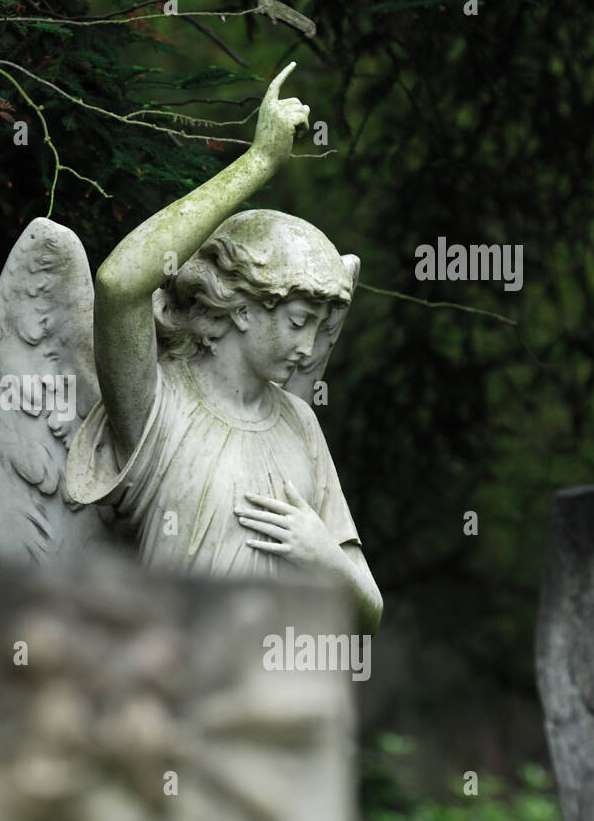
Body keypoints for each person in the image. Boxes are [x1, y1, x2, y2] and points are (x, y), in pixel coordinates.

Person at [65, 63, 383, 633]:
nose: (310, 348)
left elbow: (368, 615)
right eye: (298, 321)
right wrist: (259, 162)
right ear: (241, 307)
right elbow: (119, 285)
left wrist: (324, 555)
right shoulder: (158, 407)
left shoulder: (299, 426)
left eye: (320, 326)